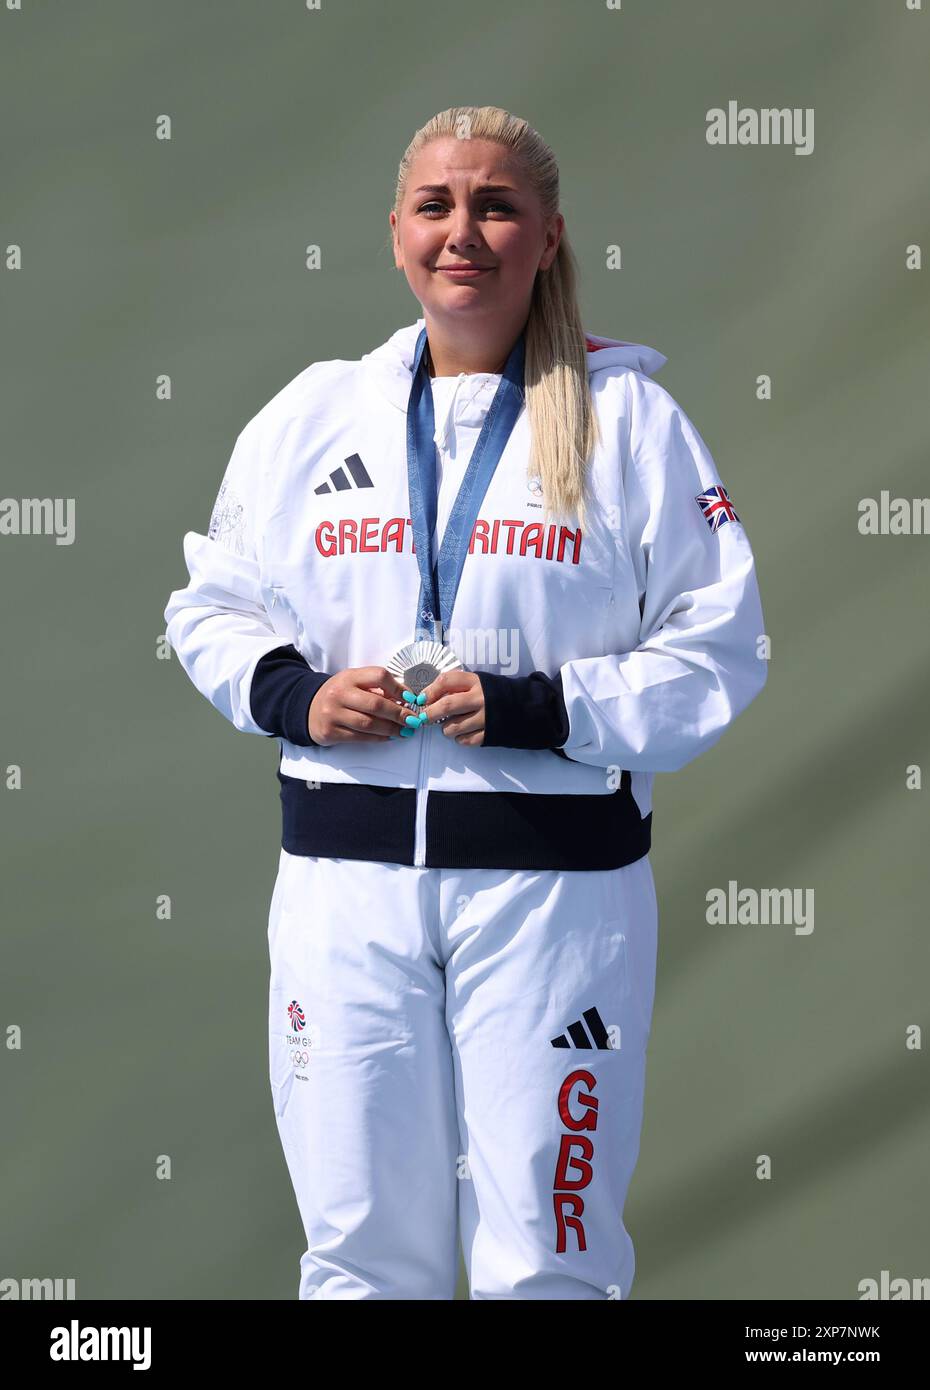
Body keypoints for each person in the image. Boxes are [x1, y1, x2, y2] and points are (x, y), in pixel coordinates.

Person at [163, 105, 767, 1301]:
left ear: (548, 237)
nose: (464, 233)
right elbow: (209, 606)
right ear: (395, 233)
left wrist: (547, 705)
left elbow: (720, 655)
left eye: (496, 206)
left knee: (546, 1256)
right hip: (345, 896)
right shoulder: (311, 416)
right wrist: (293, 693)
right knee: (355, 1256)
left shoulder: (631, 426)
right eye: (437, 206)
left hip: (554, 897)